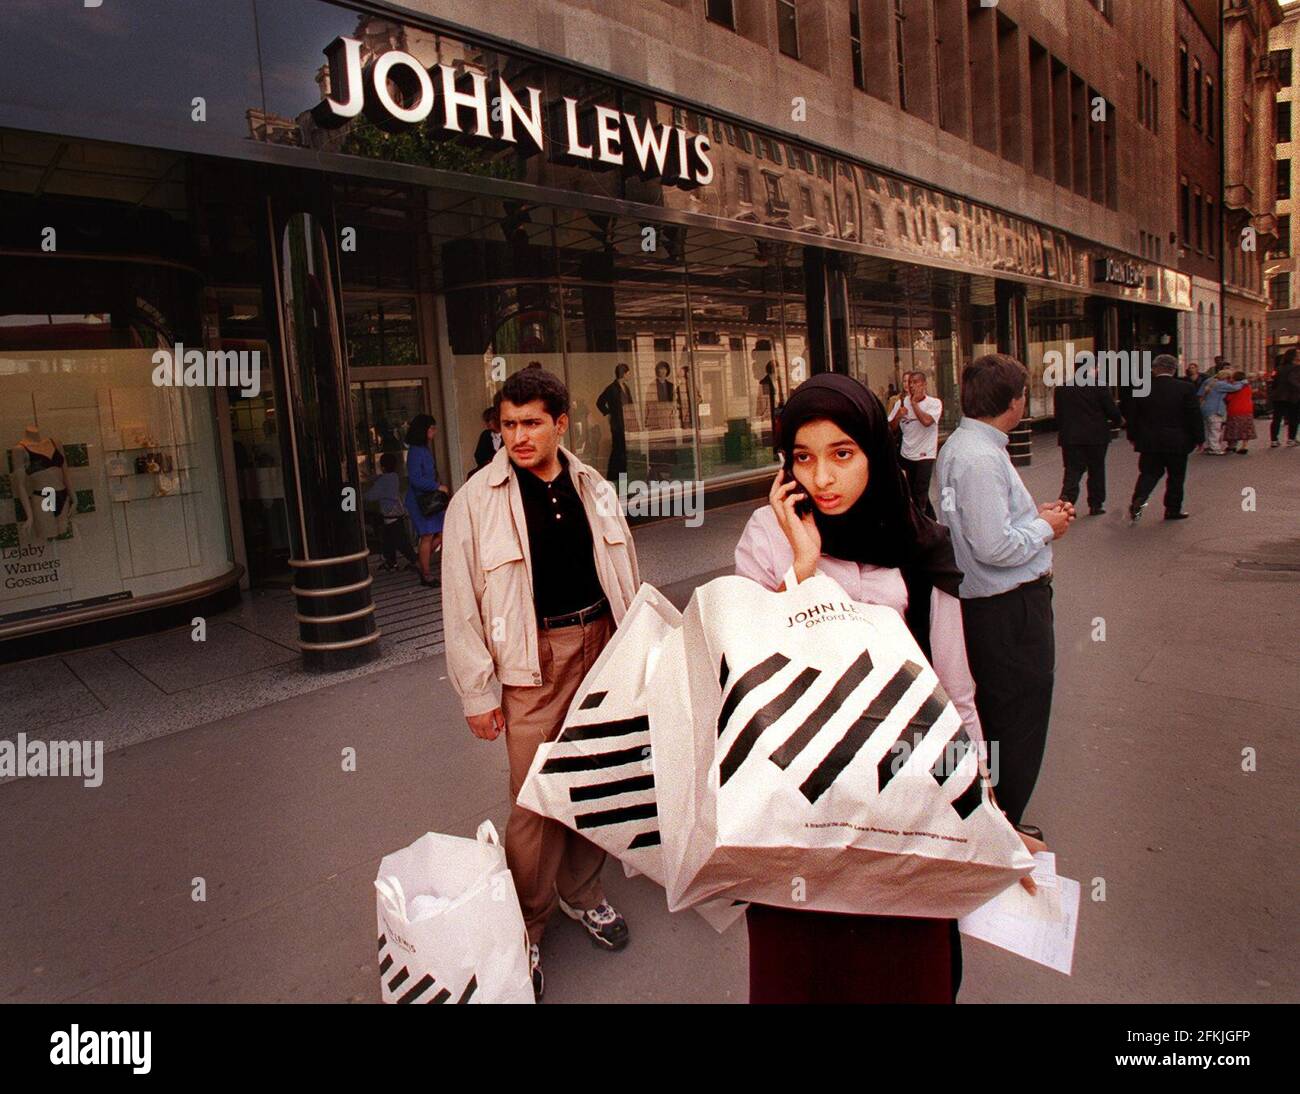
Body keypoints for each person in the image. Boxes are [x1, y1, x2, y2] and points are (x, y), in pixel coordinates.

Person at [733, 373, 1043, 1004]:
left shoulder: (918, 547)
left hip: (907, 807)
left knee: (902, 978)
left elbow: (954, 695)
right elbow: (756, 682)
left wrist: (984, 807)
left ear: (874, 450)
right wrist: (804, 568)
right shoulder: (767, 543)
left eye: (842, 454)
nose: (822, 478)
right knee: (806, 979)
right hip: (801, 813)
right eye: (804, 457)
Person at [440, 367, 641, 1001]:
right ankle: (526, 923)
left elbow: (623, 567)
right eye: (508, 424)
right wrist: (477, 693)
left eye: (531, 423)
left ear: (561, 422)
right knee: (533, 802)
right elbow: (459, 606)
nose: (518, 437)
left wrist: (636, 652)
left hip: (601, 644)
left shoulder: (592, 484)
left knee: (594, 781)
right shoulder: (475, 501)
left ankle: (583, 893)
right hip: (533, 661)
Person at [936, 354, 1073, 828]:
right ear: (1013, 403)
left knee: (1001, 712)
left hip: (991, 605)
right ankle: (1007, 821)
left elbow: (984, 527)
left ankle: (996, 814)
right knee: (1020, 716)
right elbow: (994, 546)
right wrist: (1046, 529)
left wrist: (1034, 519)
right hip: (1008, 607)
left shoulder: (967, 446)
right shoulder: (979, 456)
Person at [1125, 354, 1204, 523]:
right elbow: (1194, 415)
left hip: (1150, 441)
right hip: (1177, 441)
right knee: (1176, 476)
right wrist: (1199, 438)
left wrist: (1132, 436)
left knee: (1148, 474)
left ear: (1154, 369)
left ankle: (1139, 499)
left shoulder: (1143, 387)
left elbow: (1133, 416)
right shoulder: (1186, 388)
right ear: (1174, 369)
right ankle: (1172, 509)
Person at [1052, 360, 1123, 515]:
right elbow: (1111, 410)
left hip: (1071, 437)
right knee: (1096, 470)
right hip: (1096, 437)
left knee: (1072, 470)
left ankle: (1066, 501)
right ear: (1090, 369)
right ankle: (1096, 504)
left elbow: (1059, 415)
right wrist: (1120, 421)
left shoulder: (1062, 388)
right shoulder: (1100, 387)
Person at [887, 370, 942, 517]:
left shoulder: (934, 403)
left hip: (925, 455)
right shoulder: (900, 403)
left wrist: (914, 404)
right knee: (911, 490)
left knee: (920, 491)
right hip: (907, 453)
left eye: (915, 382)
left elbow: (926, 421)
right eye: (909, 382)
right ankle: (931, 520)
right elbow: (890, 427)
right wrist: (898, 416)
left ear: (924, 384)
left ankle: (921, 526)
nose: (912, 386)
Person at [403, 414, 448, 588]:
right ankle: (426, 573)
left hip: (427, 499)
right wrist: (437, 486)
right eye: (432, 428)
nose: (434, 432)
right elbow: (415, 479)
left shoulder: (421, 449)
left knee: (438, 533)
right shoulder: (416, 451)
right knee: (428, 536)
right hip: (421, 501)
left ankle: (422, 564)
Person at [365, 452, 418, 572]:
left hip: (391, 516)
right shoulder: (394, 477)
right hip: (396, 516)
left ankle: (416, 561)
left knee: (401, 542)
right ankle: (391, 562)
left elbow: (371, 496)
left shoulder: (383, 481)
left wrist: (357, 495)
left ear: (382, 467)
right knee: (389, 540)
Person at [595, 362, 636, 480]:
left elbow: (630, 405)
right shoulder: (612, 388)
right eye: (628, 373)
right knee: (619, 453)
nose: (630, 375)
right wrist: (608, 413)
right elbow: (600, 402)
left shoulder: (626, 388)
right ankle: (616, 479)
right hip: (618, 425)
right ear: (623, 373)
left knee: (622, 453)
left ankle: (617, 478)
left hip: (627, 424)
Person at [1199, 368, 1247, 455]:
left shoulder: (1210, 381)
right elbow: (1235, 388)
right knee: (1215, 429)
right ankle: (1215, 448)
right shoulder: (1221, 384)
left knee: (1207, 429)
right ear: (1226, 377)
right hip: (1215, 409)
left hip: (1205, 408)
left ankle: (1208, 446)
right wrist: (1242, 382)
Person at [1268, 349, 1300, 447]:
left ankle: (1274, 440)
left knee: (1276, 418)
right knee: (1293, 418)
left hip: (1278, 396)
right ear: (1294, 357)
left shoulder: (1278, 368)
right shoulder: (1296, 368)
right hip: (1292, 396)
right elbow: (1293, 380)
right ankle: (1291, 439)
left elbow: (1273, 382)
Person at [1223, 370, 1257, 455]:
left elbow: (1228, 398)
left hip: (1235, 409)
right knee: (1246, 428)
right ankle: (1244, 446)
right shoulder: (1247, 386)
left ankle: (1232, 446)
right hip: (1247, 409)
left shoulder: (1234, 387)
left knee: (1233, 428)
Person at [472, 405, 502, 470]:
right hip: (488, 469)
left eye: (489, 420)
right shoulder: (485, 435)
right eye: (486, 420)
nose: (487, 423)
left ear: (497, 419)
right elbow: (478, 455)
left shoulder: (506, 434)